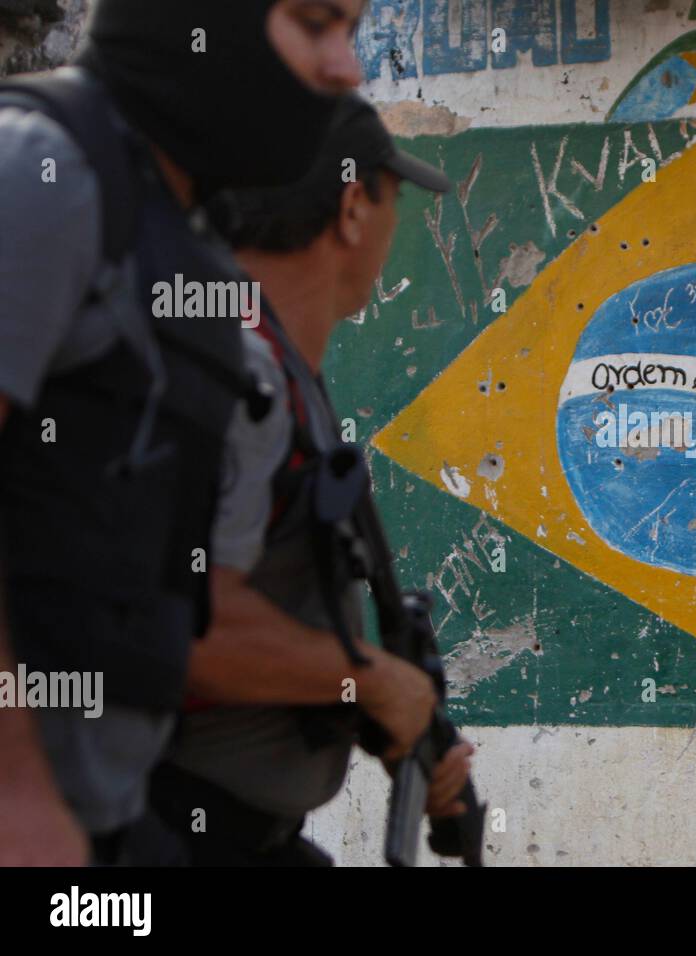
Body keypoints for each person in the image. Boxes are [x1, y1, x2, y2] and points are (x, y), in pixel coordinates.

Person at [0, 0, 370, 866]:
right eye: (316, 23)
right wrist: (15, 791)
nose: (347, 66)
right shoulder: (41, 169)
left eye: (353, 29)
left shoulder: (186, 243)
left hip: (108, 824)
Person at [147, 95, 475, 866]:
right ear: (354, 207)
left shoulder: (272, 366)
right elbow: (173, 625)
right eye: (393, 202)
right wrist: (375, 684)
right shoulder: (233, 372)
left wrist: (389, 722)